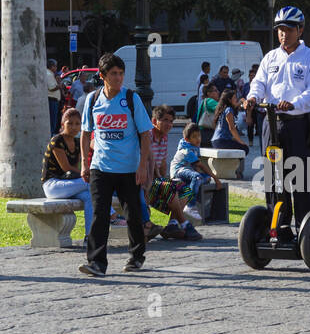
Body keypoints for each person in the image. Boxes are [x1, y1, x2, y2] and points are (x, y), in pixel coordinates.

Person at [245, 4, 310, 244]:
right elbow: (259, 83)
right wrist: (252, 98)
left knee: (298, 178)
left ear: (300, 30)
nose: (284, 34)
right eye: (280, 29)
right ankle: (278, 226)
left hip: (299, 123)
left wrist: (293, 103)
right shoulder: (271, 57)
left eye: (289, 29)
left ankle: (304, 229)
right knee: (272, 177)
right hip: (271, 122)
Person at [78, 53, 151, 276]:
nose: (118, 78)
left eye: (121, 73)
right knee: (100, 215)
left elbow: (145, 133)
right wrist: (84, 163)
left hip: (128, 168)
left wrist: (142, 166)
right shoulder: (92, 100)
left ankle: (137, 256)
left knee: (133, 215)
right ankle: (97, 262)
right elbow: (85, 133)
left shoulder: (131, 99)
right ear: (102, 76)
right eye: (113, 74)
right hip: (100, 167)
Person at [144, 105, 203, 240]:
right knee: (170, 188)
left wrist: (166, 179)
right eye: (165, 120)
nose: (169, 124)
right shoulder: (147, 136)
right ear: (154, 121)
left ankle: (172, 223)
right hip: (145, 183)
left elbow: (163, 164)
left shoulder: (163, 138)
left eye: (171, 121)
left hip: (157, 182)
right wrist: (162, 181)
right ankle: (184, 223)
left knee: (186, 189)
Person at [43, 107, 94, 248]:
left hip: (69, 185)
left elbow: (76, 171)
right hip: (53, 186)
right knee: (92, 184)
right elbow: (67, 168)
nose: (73, 127)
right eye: (69, 123)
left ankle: (89, 237)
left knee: (89, 196)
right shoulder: (57, 140)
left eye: (77, 124)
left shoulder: (78, 143)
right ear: (62, 124)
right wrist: (86, 174)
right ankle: (113, 216)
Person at [211, 89, 249, 177]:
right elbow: (232, 128)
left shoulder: (224, 108)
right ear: (229, 100)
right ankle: (235, 171)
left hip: (217, 140)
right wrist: (240, 141)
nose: (236, 99)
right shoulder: (229, 110)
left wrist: (243, 100)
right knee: (245, 149)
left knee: (241, 147)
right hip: (221, 141)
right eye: (234, 98)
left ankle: (234, 169)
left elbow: (238, 103)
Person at [195, 82, 221, 147]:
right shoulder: (210, 101)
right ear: (208, 93)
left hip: (201, 133)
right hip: (207, 133)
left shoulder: (205, 101)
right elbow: (222, 109)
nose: (218, 92)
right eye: (215, 90)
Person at [45, 59, 63, 135]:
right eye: (55, 66)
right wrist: (59, 86)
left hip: (53, 100)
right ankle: (51, 135)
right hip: (52, 100)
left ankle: (52, 133)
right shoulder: (48, 74)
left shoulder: (50, 74)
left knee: (54, 120)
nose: (56, 68)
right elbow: (51, 88)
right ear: (52, 66)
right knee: (52, 120)